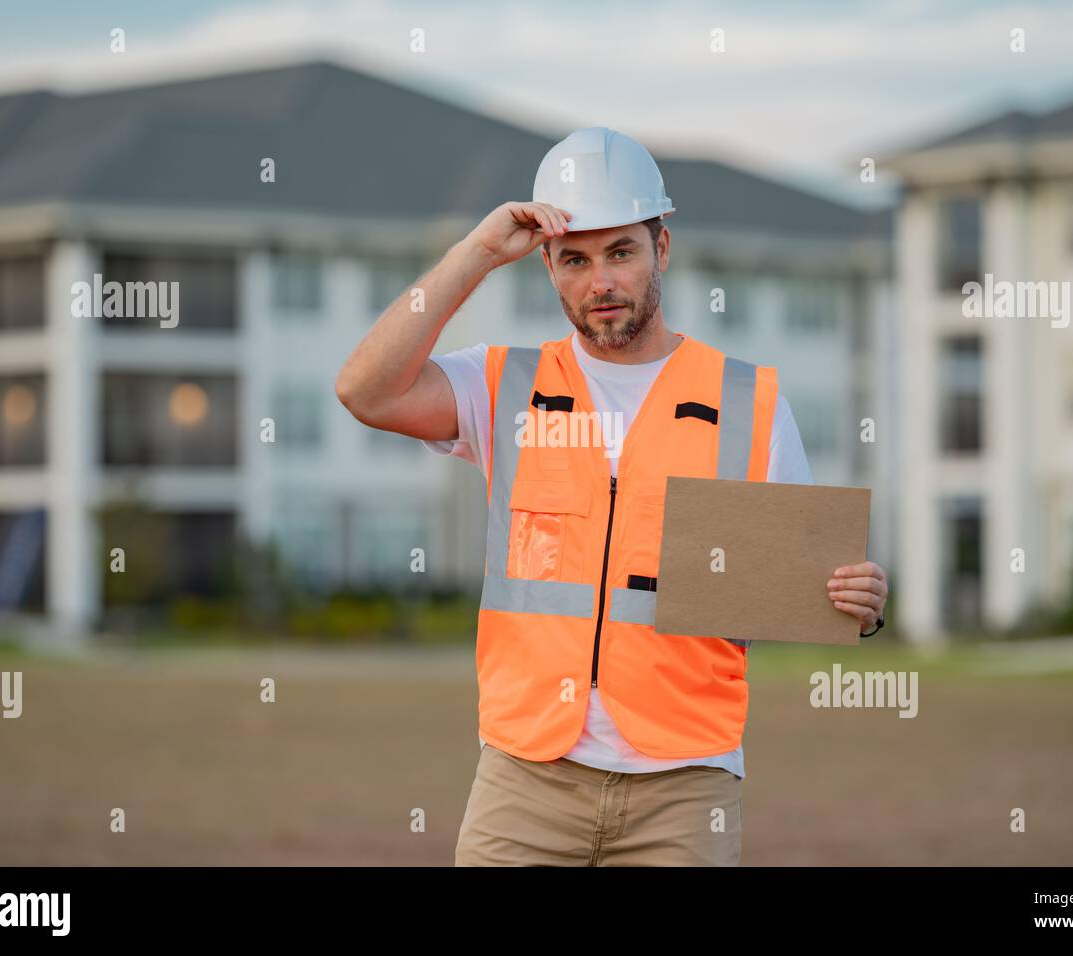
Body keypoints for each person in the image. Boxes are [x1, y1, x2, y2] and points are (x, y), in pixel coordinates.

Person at [335, 127, 888, 866]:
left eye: (620, 252)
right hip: (525, 777)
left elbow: (799, 581)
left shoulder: (750, 402)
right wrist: (474, 255)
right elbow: (363, 389)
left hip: (684, 787)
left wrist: (858, 596)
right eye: (575, 260)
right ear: (547, 267)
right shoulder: (504, 386)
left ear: (662, 247)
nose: (600, 282)